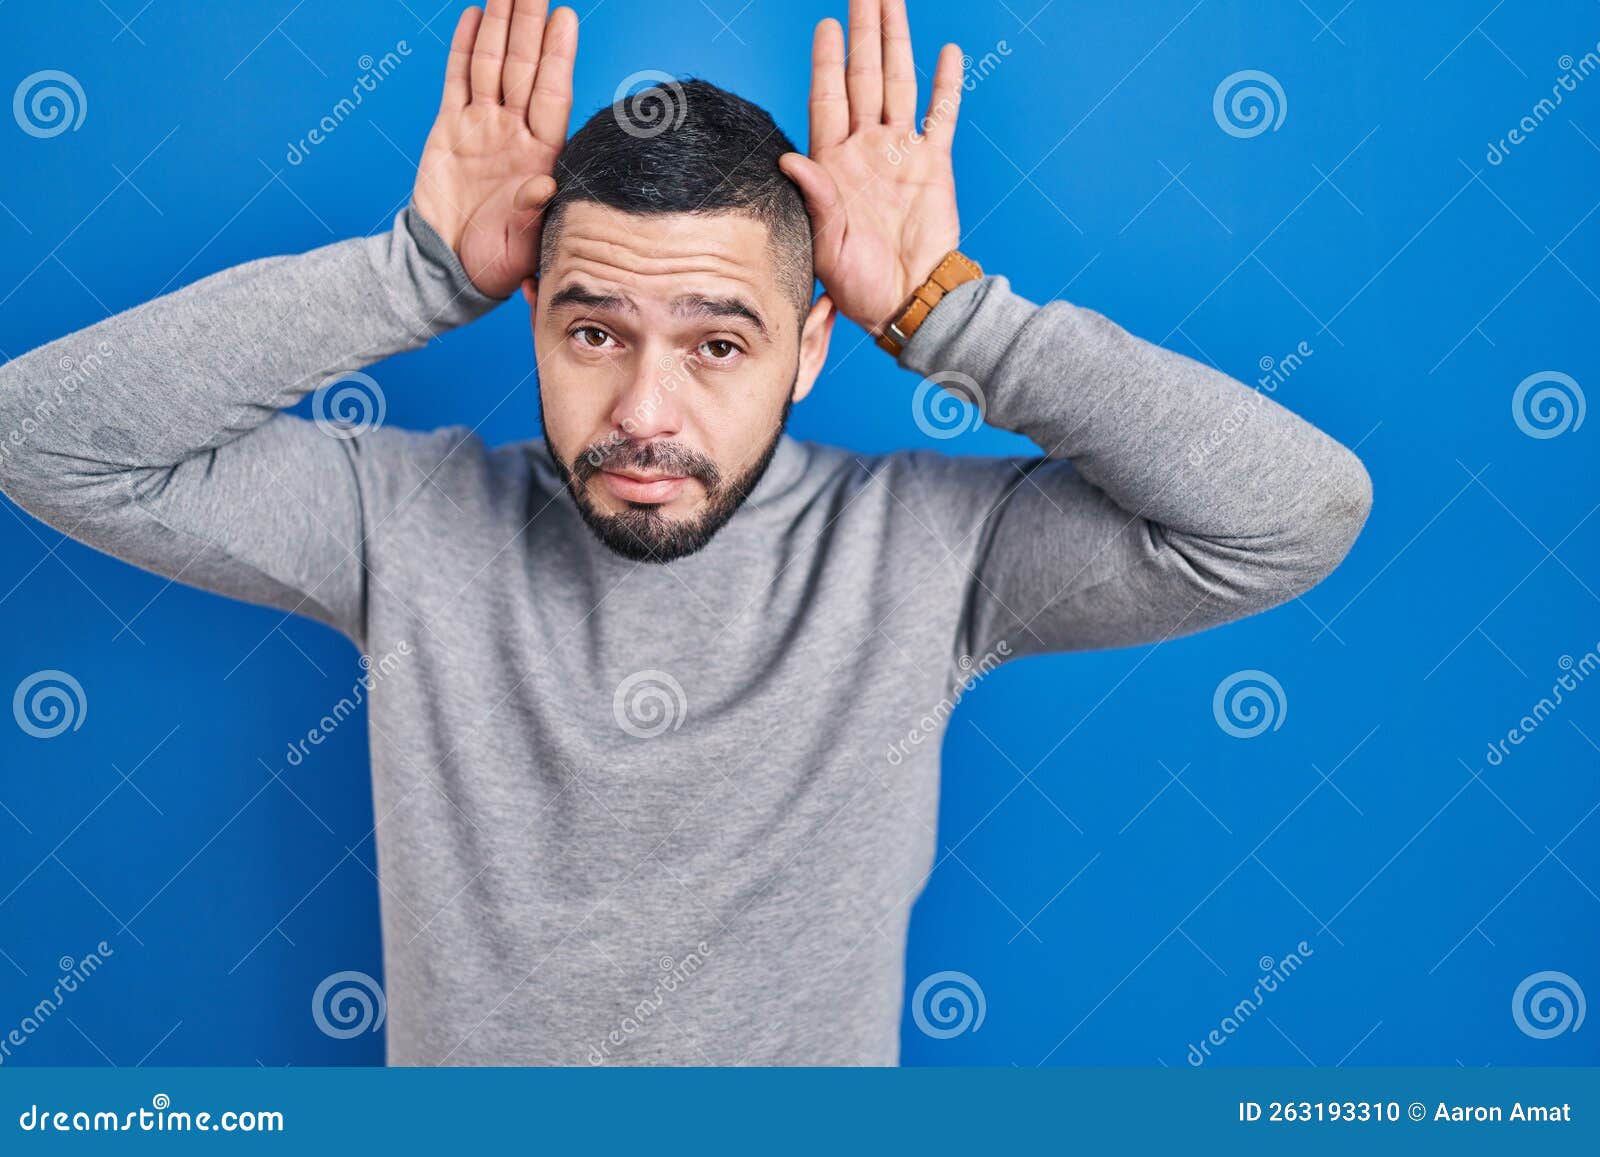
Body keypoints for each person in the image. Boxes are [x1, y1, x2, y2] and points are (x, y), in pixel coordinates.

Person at [0, 0, 1371, 1065]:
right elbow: (43, 437)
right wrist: (410, 275)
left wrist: (954, 313)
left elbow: (1289, 516)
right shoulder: (400, 521)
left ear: (813, 347)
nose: (645, 413)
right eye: (594, 332)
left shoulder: (930, 555)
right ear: (530, 320)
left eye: (719, 343)